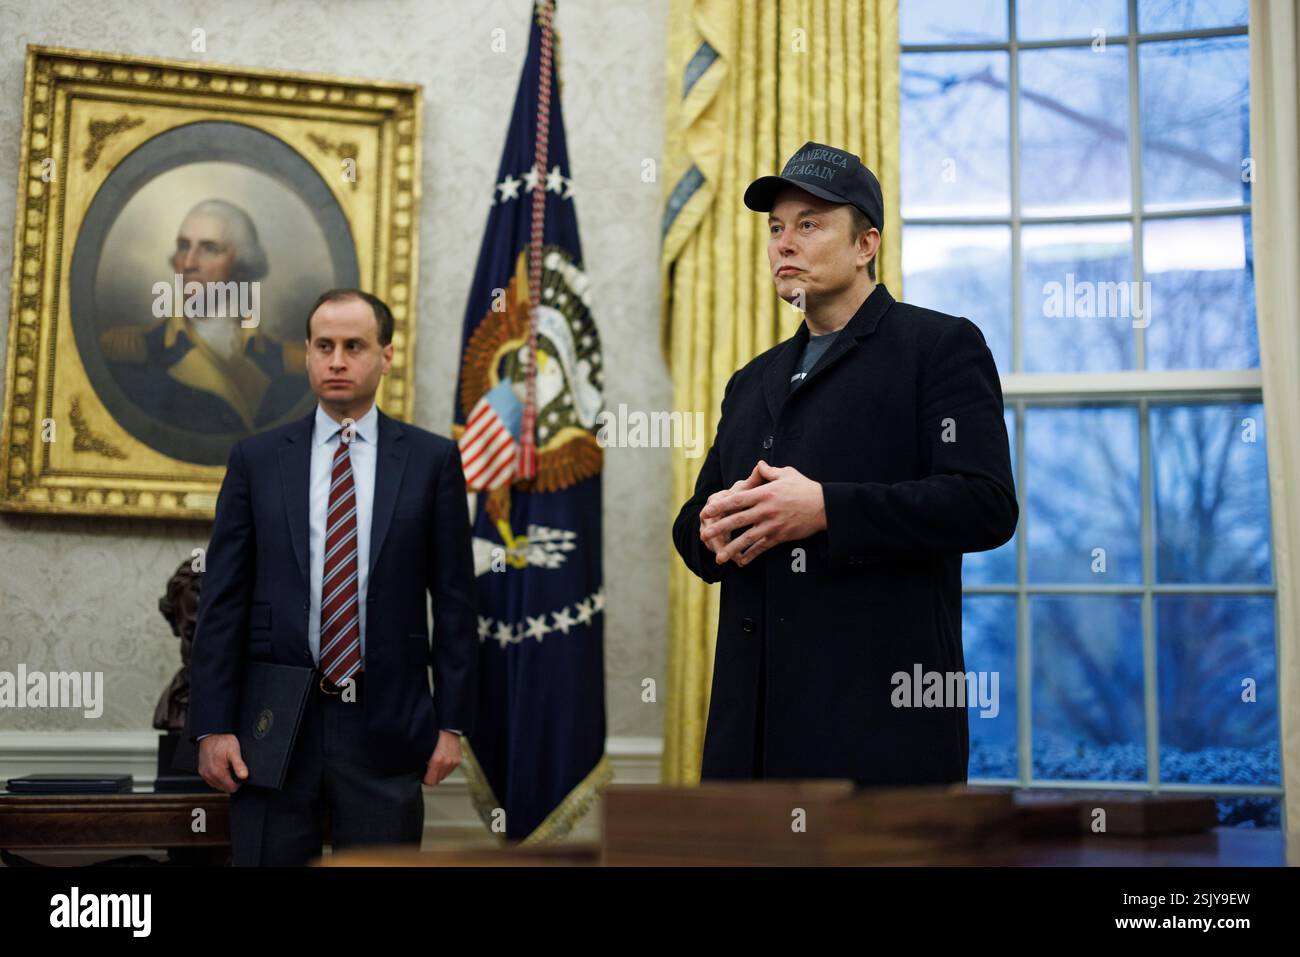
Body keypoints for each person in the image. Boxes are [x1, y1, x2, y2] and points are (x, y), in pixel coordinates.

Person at [672, 140, 1018, 786]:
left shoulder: (940, 346)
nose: (783, 243)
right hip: (749, 745)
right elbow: (695, 522)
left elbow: (985, 504)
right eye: (776, 228)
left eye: (809, 223)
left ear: (867, 245)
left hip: (879, 738)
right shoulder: (751, 381)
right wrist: (709, 527)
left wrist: (826, 509)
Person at [189, 288, 476, 865]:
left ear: (386, 356)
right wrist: (211, 726)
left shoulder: (431, 462)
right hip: (271, 727)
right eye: (324, 346)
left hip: (386, 723)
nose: (337, 360)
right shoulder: (257, 459)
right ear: (307, 354)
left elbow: (454, 603)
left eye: (354, 346)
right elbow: (222, 602)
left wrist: (452, 725)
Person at [99, 199, 308, 434]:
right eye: (183, 246)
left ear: (242, 265)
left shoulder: (293, 363)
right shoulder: (130, 351)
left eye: (209, 249)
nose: (188, 263)